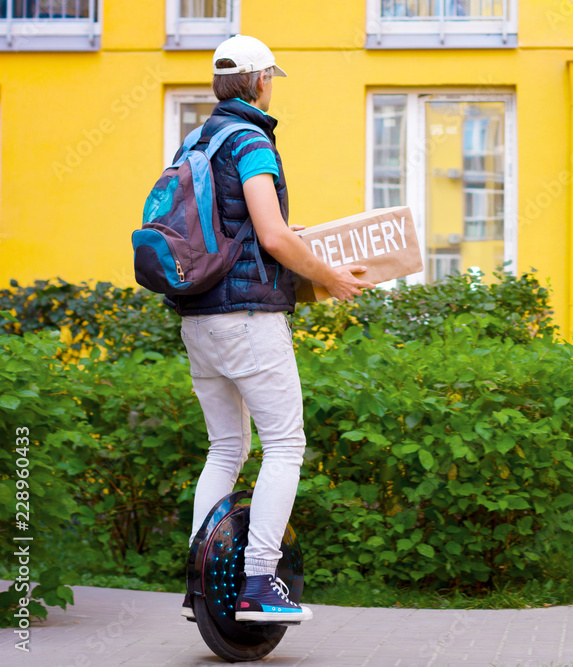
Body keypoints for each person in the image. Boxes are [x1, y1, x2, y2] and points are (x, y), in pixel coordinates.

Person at [171, 34, 375, 623]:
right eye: (271, 78)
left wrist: (284, 232)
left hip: (198, 318)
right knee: (284, 445)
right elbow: (273, 237)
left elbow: (233, 225)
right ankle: (259, 581)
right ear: (261, 81)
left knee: (225, 447)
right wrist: (331, 276)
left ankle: (201, 582)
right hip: (248, 319)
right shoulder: (251, 138)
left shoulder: (195, 141)